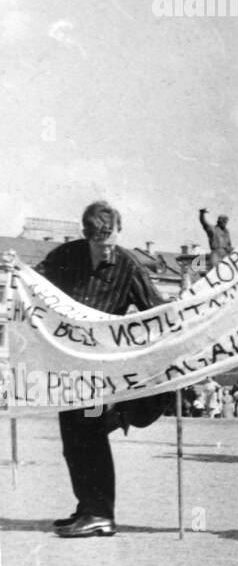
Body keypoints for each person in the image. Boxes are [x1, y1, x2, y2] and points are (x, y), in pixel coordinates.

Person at [34, 200, 167, 538]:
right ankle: (86, 507)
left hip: (98, 375)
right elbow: (33, 283)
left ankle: (100, 513)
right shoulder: (65, 257)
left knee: (88, 436)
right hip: (67, 367)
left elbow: (154, 310)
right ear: (86, 236)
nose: (107, 252)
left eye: (111, 243)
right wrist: (14, 267)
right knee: (72, 441)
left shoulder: (127, 266)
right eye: (100, 246)